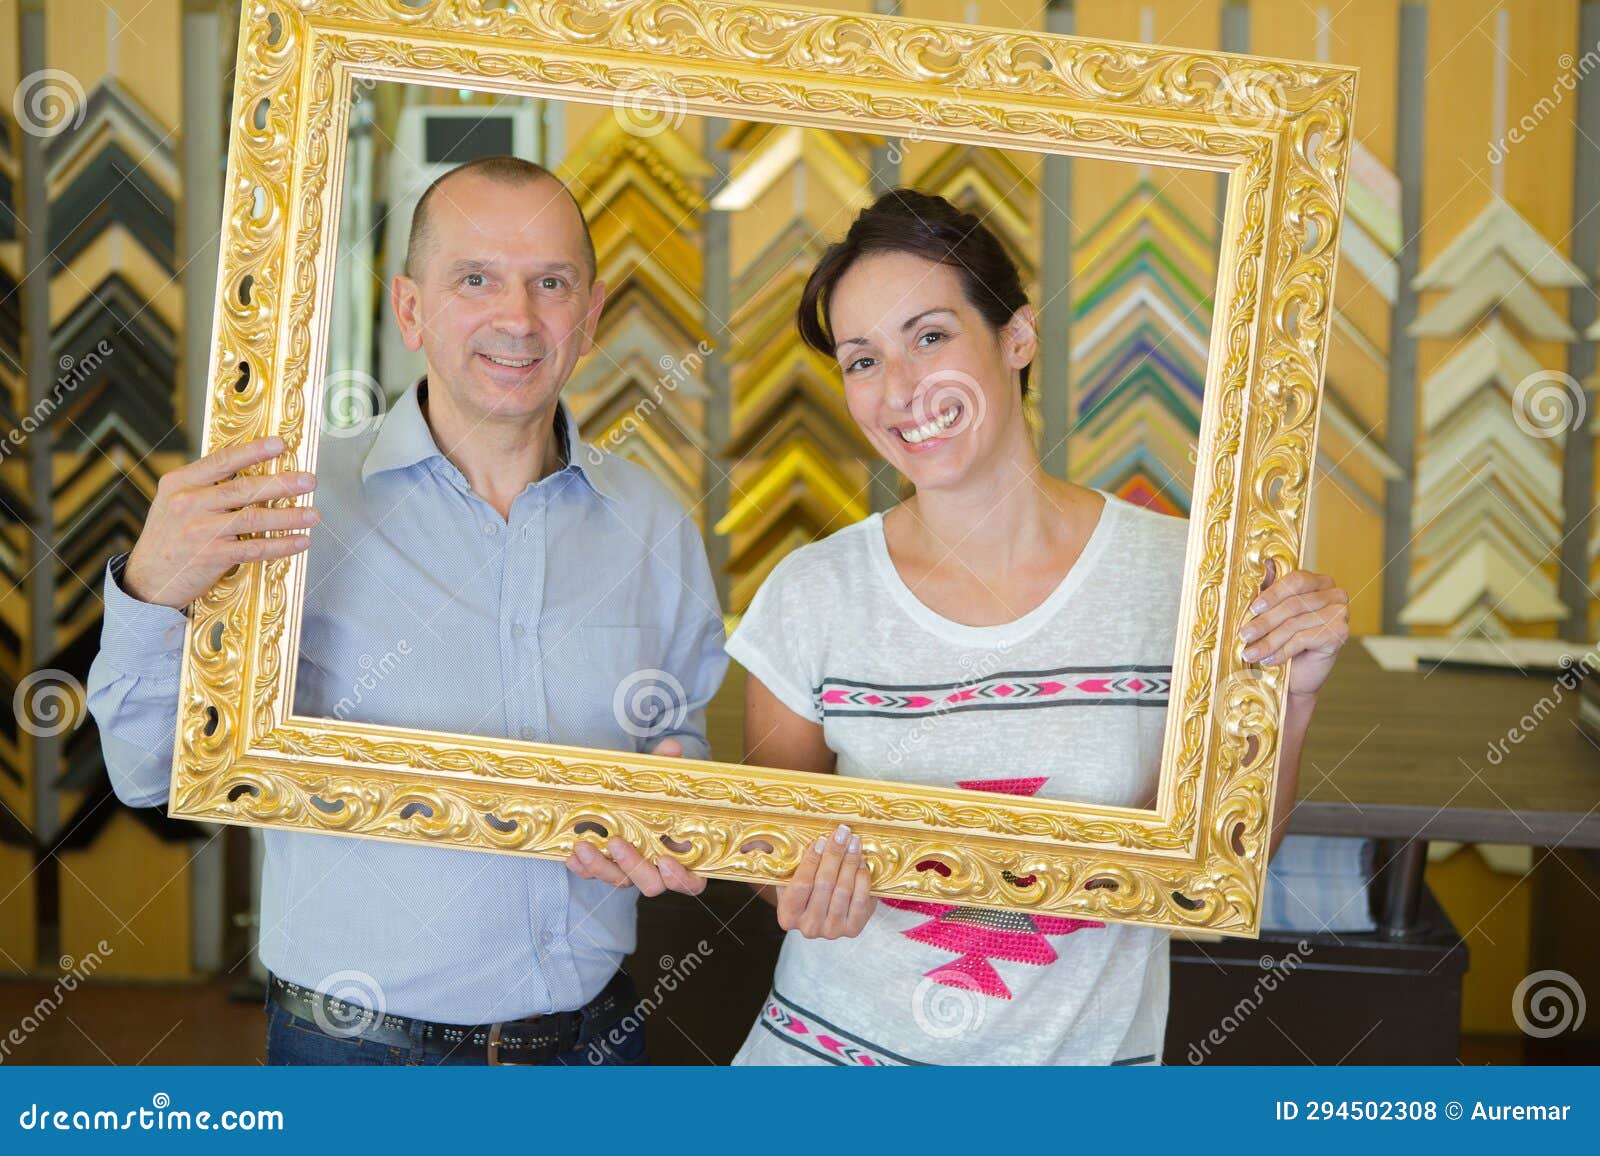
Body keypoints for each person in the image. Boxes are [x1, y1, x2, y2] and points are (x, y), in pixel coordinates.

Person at [85, 156, 727, 1065]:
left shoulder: (654, 524)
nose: (518, 317)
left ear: (590, 314)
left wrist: (676, 792)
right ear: (410, 309)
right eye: (475, 279)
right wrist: (153, 588)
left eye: (552, 283)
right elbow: (146, 771)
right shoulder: (287, 506)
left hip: (597, 1046)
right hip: (359, 1059)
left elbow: (678, 738)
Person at [726, 189, 1350, 1066]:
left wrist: (1292, 699)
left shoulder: (1189, 579)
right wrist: (794, 883)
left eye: (930, 337)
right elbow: (770, 846)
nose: (902, 390)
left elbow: (1219, 867)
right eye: (862, 361)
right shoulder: (811, 593)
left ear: (1016, 337)